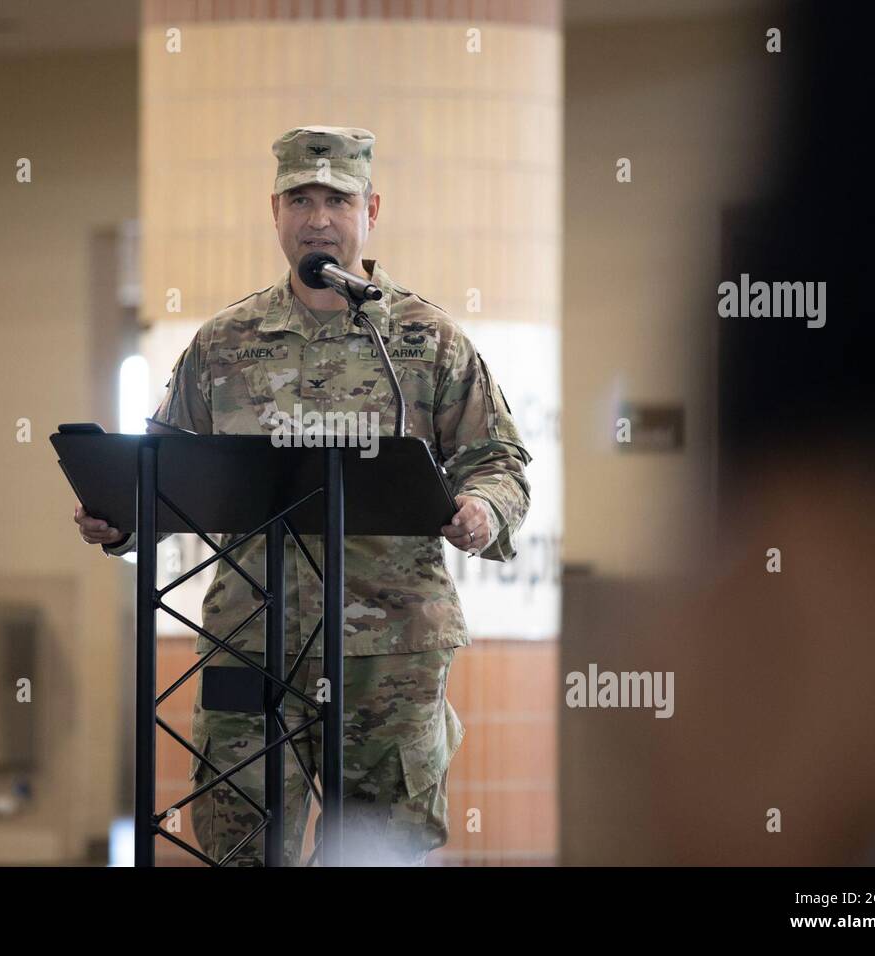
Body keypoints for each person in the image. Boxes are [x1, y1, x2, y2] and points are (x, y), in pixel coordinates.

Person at [74, 126, 532, 865]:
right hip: (249, 642)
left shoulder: (425, 340)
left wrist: (483, 509)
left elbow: (499, 459)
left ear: (371, 209)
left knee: (378, 857)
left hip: (388, 650)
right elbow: (157, 471)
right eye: (300, 199)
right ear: (275, 211)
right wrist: (116, 519)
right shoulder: (224, 345)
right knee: (242, 850)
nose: (318, 218)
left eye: (337, 200)